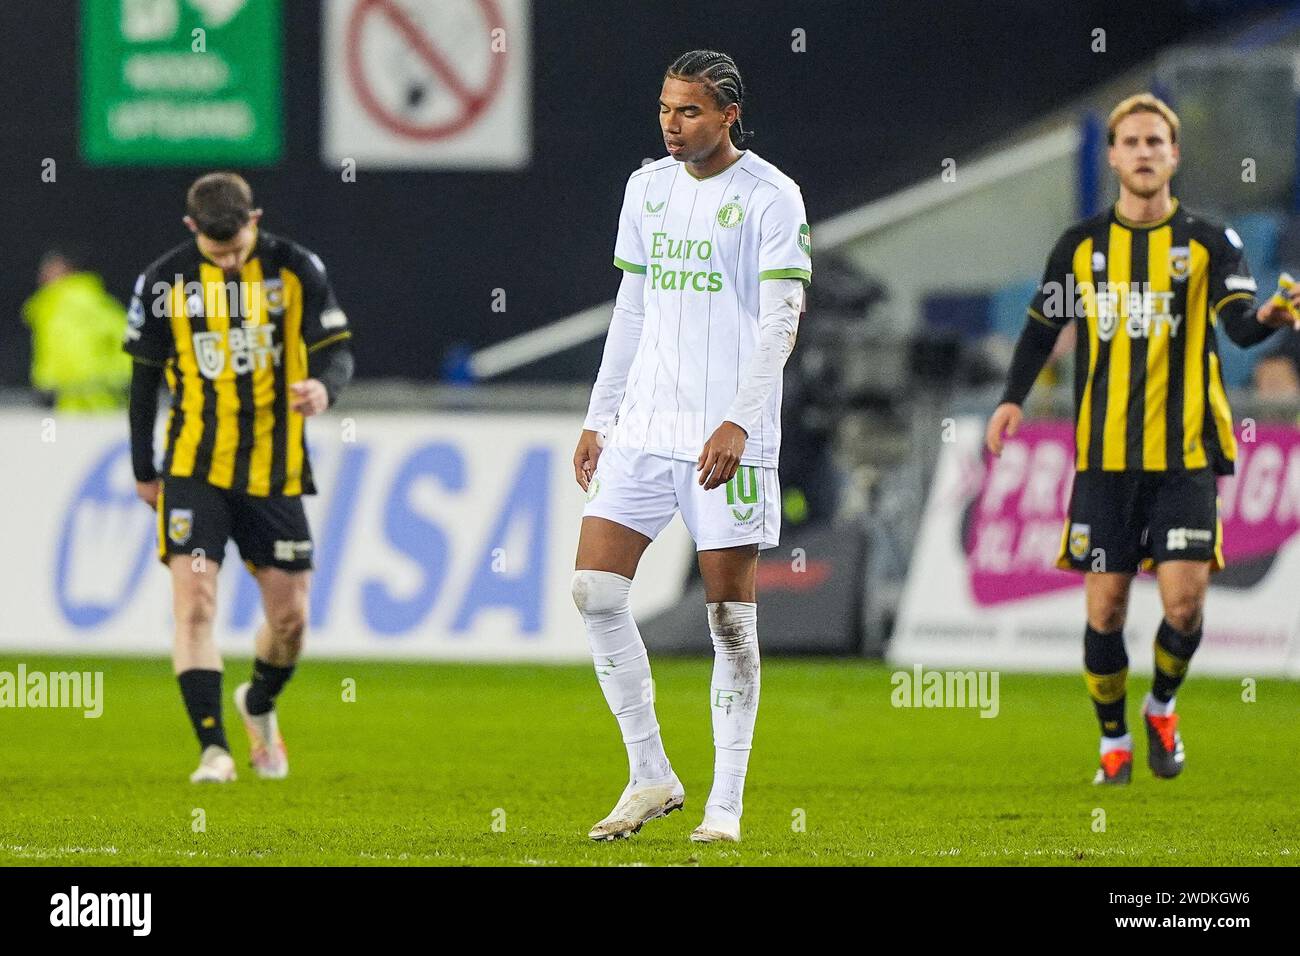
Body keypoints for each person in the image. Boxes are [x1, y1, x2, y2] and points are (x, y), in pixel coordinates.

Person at [986, 94, 1299, 785]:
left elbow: (1240, 324)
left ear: (1174, 154)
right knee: (1107, 607)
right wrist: (1011, 400)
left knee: (1185, 604)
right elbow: (1042, 327)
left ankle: (1161, 705)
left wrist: (1274, 313)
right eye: (1131, 140)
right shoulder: (1081, 245)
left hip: (1186, 456)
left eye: (1157, 140)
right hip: (1104, 461)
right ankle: (1113, 741)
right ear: (1114, 155)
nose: (1145, 151)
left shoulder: (1211, 241)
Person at [572, 50, 811, 841]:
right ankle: (650, 774)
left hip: (727, 440)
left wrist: (741, 420)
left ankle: (726, 805)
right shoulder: (645, 189)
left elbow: (781, 320)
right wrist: (599, 417)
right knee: (595, 593)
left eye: (691, 112)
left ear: (729, 114)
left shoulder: (772, 197)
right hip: (645, 428)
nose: (673, 125)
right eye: (667, 110)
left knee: (730, 625)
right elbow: (631, 311)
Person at [124, 172, 355, 783]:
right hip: (193, 467)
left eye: (237, 247)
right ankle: (214, 751)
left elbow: (338, 351)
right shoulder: (163, 282)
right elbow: (144, 381)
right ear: (192, 229)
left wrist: (324, 389)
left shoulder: (296, 268)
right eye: (215, 250)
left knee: (290, 622)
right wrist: (144, 471)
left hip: (273, 471)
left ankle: (257, 703)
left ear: (255, 219)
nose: (228, 261)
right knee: (195, 602)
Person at [21, 250, 131, 412]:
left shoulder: (86, 302)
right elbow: (49, 353)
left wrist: (120, 378)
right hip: (65, 399)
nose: (45, 277)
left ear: (69, 271)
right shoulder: (48, 307)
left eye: (52, 271)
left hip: (97, 398)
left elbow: (125, 340)